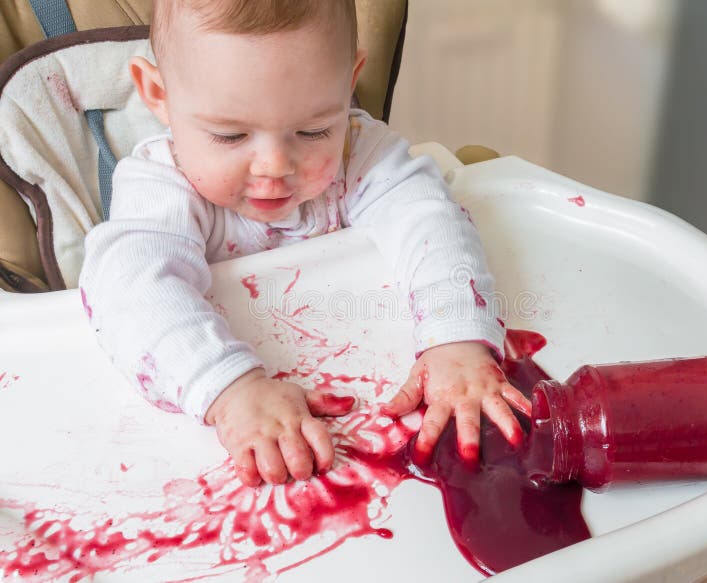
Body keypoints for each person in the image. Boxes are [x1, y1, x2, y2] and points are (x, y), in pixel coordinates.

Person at [79, 0, 530, 487]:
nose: (274, 165)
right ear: (158, 94)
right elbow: (129, 287)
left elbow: (430, 223)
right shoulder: (162, 188)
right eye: (231, 135)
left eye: (313, 130)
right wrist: (229, 390)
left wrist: (456, 338)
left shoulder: (361, 153)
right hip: (223, 441)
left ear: (348, 83)